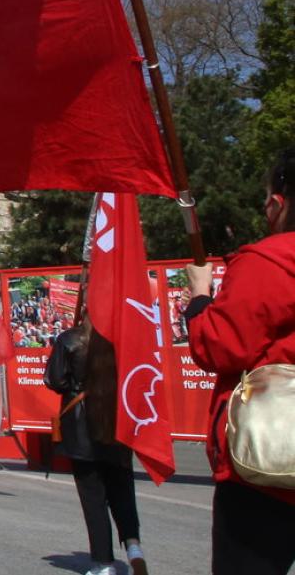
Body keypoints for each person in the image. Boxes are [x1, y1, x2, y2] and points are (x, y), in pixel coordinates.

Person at [185, 147, 295, 575]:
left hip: (269, 468)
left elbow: (218, 347)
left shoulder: (269, 262)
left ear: (276, 203)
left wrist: (199, 299)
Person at [46, 318, 147, 575]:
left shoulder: (70, 339)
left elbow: (55, 380)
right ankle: (133, 545)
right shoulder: (122, 339)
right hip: (116, 420)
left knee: (94, 499)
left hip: (82, 426)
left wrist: (77, 385)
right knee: (122, 489)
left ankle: (104, 563)